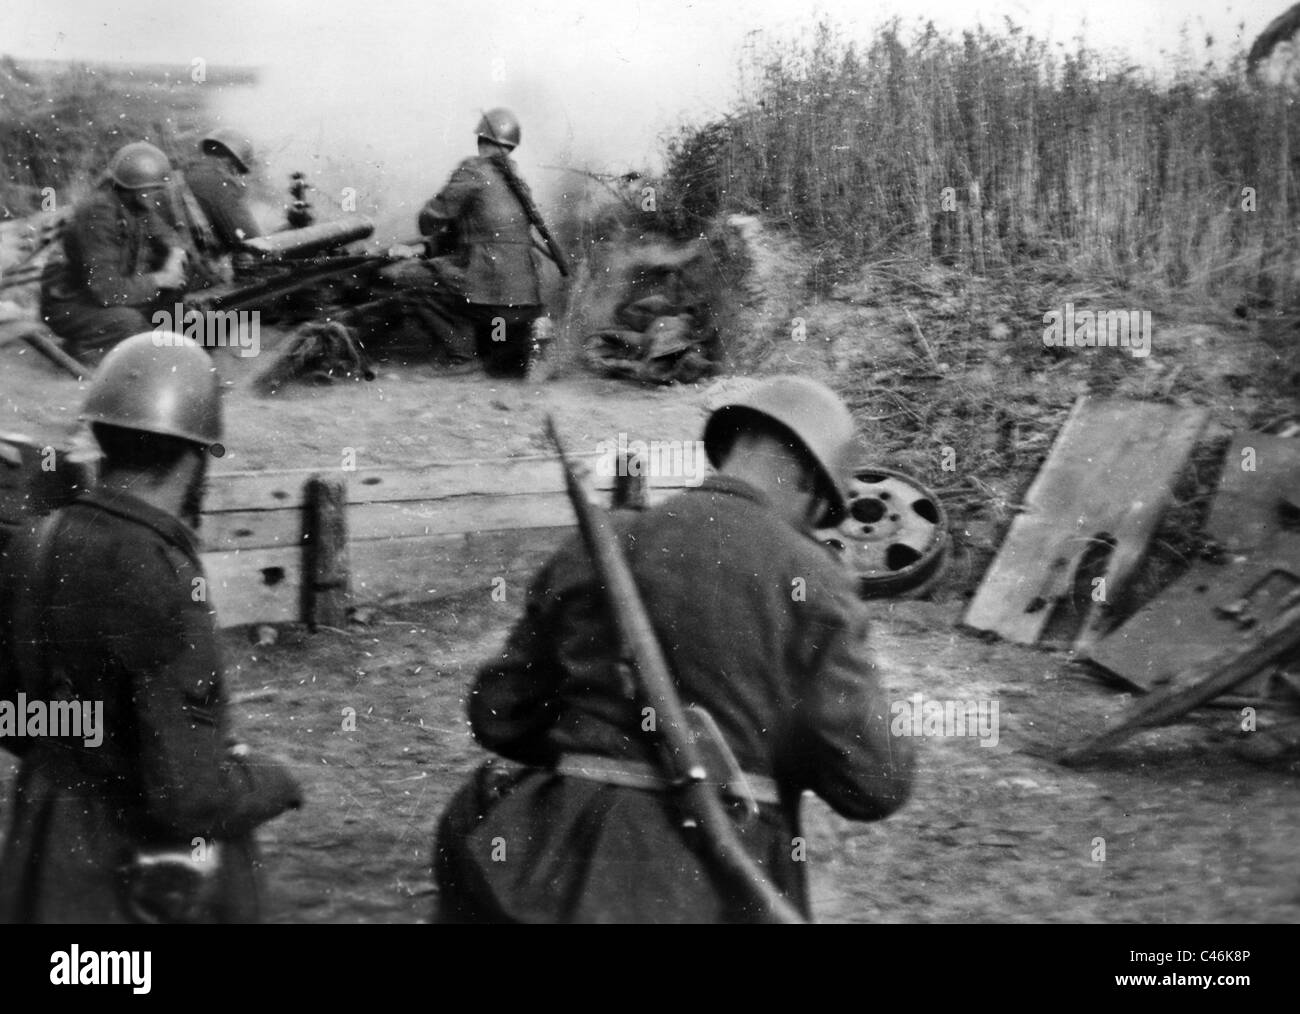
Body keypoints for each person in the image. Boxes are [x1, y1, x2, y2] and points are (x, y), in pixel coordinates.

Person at [432, 375, 915, 923]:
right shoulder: (813, 578)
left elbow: (497, 715)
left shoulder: (602, 539)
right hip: (710, 884)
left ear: (730, 448)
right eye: (818, 514)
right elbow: (876, 785)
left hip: (540, 864)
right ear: (808, 478)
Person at [0, 333, 303, 924]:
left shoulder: (37, 537)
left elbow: (11, 714)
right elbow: (188, 797)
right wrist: (276, 780)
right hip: (134, 868)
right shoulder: (162, 574)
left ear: (103, 437)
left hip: (46, 833)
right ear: (196, 455)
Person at [410, 108, 550, 375]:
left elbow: (431, 219)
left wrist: (428, 230)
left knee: (407, 278)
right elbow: (487, 230)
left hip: (490, 296)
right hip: (525, 299)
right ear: (511, 146)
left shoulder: (474, 169)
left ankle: (462, 356)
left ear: (480, 140)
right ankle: (525, 338)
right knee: (500, 352)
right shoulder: (517, 181)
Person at [39, 141, 189, 365]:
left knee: (179, 296)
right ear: (137, 187)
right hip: (69, 305)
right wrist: (161, 278)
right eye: (154, 188)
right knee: (130, 324)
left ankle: (119, 340)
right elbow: (107, 291)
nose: (159, 194)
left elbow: (166, 234)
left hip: (98, 295)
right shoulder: (98, 215)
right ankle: (86, 348)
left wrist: (175, 254)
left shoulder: (133, 204)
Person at [175, 128, 262, 258]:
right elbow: (252, 241)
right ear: (231, 161)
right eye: (238, 171)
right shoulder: (219, 182)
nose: (238, 177)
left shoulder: (187, 173)